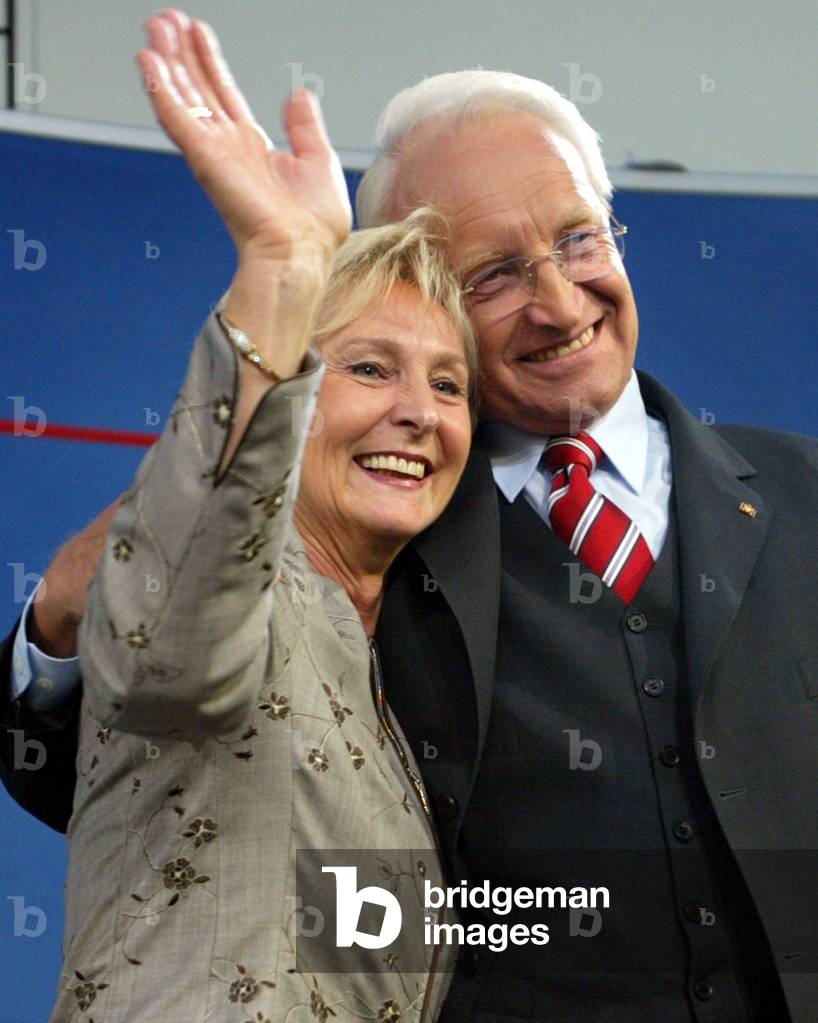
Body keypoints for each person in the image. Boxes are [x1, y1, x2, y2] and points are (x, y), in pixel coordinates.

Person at [3, 20, 817, 1023]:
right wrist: (62, 627)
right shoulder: (351, 527)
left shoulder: (802, 493)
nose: (559, 304)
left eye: (576, 239)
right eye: (493, 275)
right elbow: (174, 779)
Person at [4, 10, 479, 1021]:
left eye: (449, 385)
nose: (418, 411)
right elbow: (194, 557)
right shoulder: (227, 591)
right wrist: (280, 272)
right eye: (367, 367)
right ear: (297, 396)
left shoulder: (395, 670)